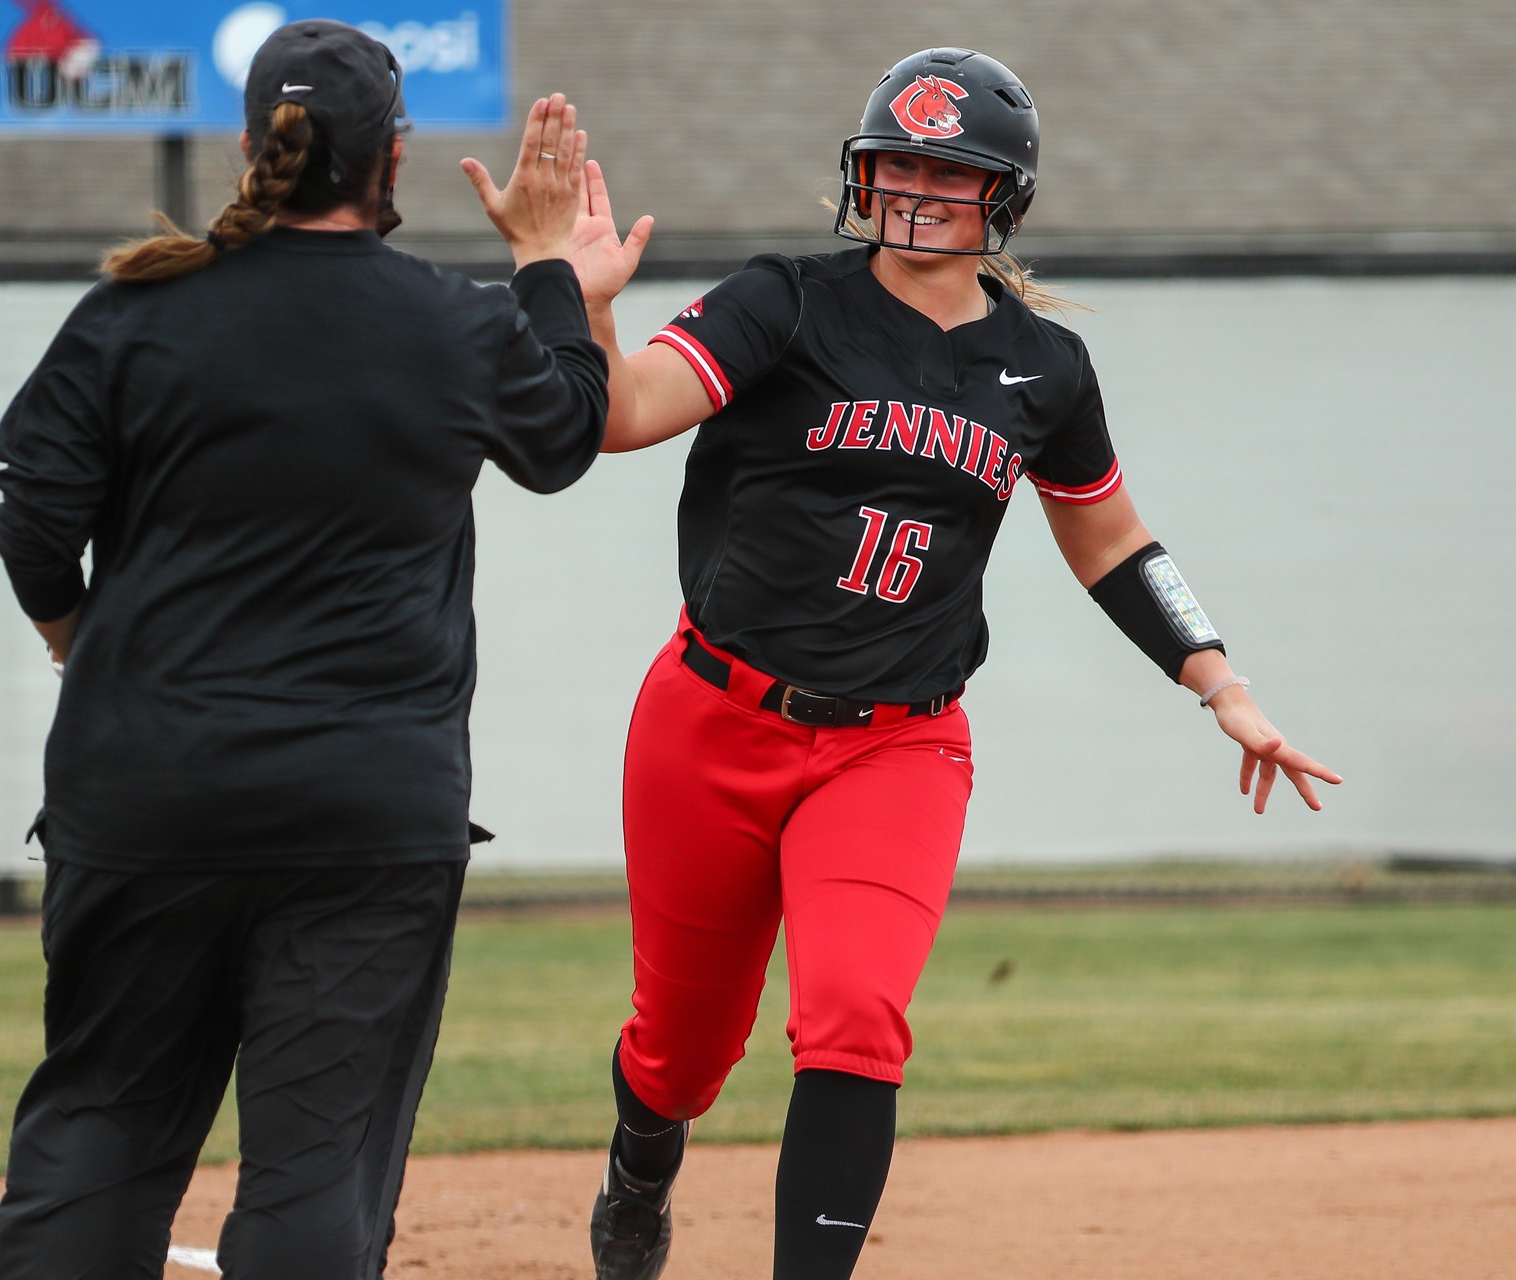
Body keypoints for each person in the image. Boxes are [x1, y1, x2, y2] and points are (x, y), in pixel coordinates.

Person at [562, 46, 1343, 1280]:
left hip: (897, 739)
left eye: (948, 166)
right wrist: (590, 305)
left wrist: (1221, 682)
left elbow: (1114, 540)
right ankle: (641, 1158)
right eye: (896, 160)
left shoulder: (1044, 367)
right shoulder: (786, 299)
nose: (915, 186)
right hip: (712, 718)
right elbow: (620, 414)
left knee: (857, 1020)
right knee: (682, 1045)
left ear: (1005, 195)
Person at [0, 20, 607, 1279]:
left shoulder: (135, 312)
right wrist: (546, 263)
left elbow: (34, 521)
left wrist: (80, 646)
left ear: (249, 145)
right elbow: (566, 435)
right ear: (395, 154)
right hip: (363, 811)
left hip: (145, 785)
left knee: (101, 1129)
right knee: (314, 1175)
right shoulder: (452, 324)